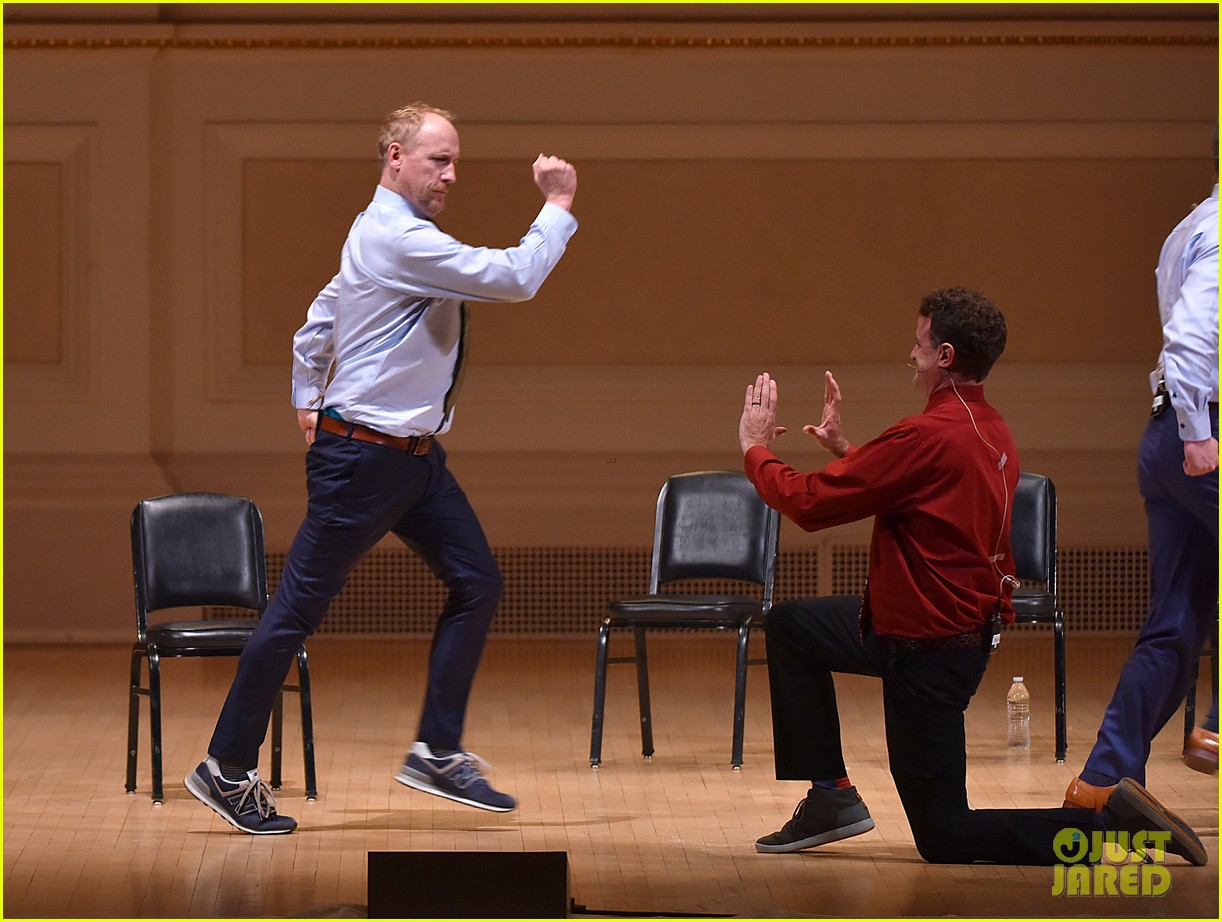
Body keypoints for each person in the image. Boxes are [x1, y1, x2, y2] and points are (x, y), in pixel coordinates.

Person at [185, 102, 579, 834]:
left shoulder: (384, 236)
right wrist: (555, 205)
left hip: (413, 461)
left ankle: (435, 749)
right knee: (297, 610)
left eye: (455, 161)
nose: (452, 174)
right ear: (395, 157)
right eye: (439, 159)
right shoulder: (396, 237)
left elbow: (321, 316)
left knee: (478, 581)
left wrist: (307, 396)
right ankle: (227, 766)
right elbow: (515, 276)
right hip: (366, 459)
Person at [738, 287, 1205, 865]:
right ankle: (831, 796)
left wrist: (755, 448)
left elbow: (808, 504)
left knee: (945, 835)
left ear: (946, 355)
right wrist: (846, 451)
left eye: (919, 343)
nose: (911, 353)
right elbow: (920, 496)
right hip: (920, 632)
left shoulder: (927, 435)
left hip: (926, 652)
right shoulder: (989, 428)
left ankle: (1102, 826)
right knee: (792, 626)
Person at [1064, 163, 1219, 804]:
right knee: (1174, 620)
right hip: (1198, 435)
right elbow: (1187, 341)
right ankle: (1213, 726)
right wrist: (1198, 433)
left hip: (1167, 437)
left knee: (1175, 622)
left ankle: (1103, 779)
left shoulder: (1191, 226)